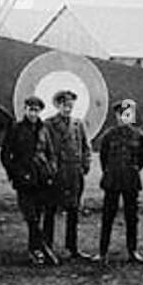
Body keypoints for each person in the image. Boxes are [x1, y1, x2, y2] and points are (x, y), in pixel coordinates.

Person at [0, 95, 59, 265]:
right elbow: (6, 155)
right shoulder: (16, 129)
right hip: (23, 180)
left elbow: (51, 153)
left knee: (38, 215)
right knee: (30, 217)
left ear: (40, 111)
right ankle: (42, 248)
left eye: (36, 110)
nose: (33, 113)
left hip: (41, 179)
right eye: (30, 109)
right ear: (25, 110)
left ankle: (35, 250)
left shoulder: (44, 130)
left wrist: (51, 171)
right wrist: (15, 174)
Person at [44, 88, 94, 260]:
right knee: (50, 210)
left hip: (74, 173)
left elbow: (86, 148)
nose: (67, 109)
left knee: (73, 211)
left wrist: (84, 166)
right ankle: (46, 246)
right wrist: (50, 170)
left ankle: (72, 248)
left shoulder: (78, 124)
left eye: (70, 106)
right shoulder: (49, 124)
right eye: (65, 105)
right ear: (58, 105)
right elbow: (44, 149)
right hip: (57, 173)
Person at [97, 98, 143, 262]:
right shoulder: (108, 135)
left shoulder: (139, 135)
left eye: (128, 114)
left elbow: (142, 159)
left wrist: (132, 170)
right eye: (121, 114)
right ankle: (102, 251)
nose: (124, 118)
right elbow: (103, 158)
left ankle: (132, 251)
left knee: (131, 217)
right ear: (116, 116)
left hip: (130, 180)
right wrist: (110, 171)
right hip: (112, 180)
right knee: (107, 216)